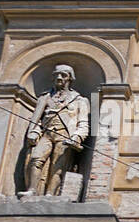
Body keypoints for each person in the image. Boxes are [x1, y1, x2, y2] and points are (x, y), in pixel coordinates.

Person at [21, 64, 89, 197]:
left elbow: (83, 123)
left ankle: (50, 194)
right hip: (46, 134)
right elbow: (38, 119)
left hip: (65, 136)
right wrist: (35, 131)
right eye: (56, 75)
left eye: (63, 75)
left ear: (70, 78)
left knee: (58, 166)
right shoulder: (45, 97)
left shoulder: (79, 100)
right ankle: (32, 190)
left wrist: (77, 137)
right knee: (35, 159)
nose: (59, 77)